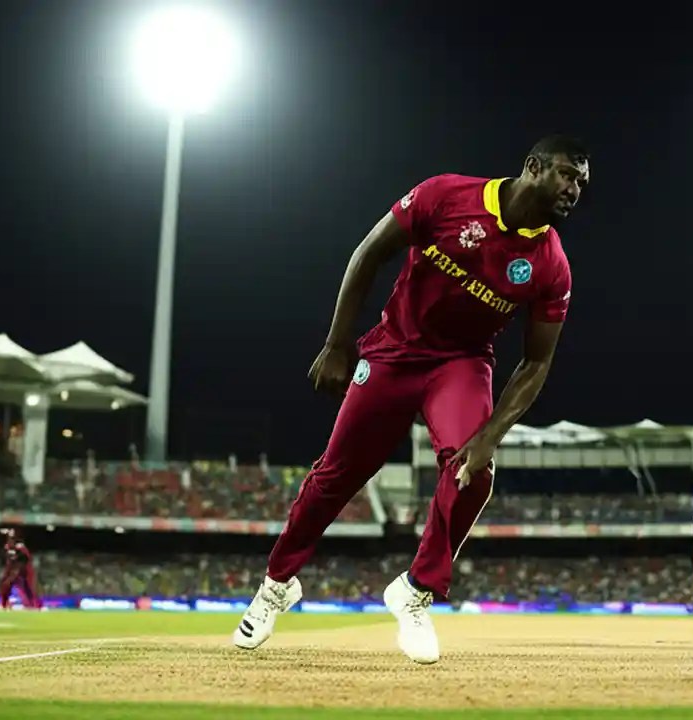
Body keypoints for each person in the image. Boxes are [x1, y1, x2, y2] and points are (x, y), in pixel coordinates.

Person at [232, 135, 591, 664]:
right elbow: (368, 253)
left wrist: (490, 436)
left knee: (475, 471)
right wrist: (336, 343)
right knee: (334, 477)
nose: (574, 189)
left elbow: (536, 364)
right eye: (567, 174)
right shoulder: (445, 196)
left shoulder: (551, 265)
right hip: (392, 352)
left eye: (582, 182)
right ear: (533, 167)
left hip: (462, 365)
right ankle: (276, 586)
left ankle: (415, 590)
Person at [0, 528, 40, 611]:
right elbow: (4, 559)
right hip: (12, 570)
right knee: (6, 586)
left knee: (29, 588)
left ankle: (35, 606)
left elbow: (26, 559)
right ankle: (3, 605)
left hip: (23, 571)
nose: (10, 540)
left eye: (12, 538)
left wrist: (16, 561)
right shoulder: (7, 547)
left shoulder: (20, 547)